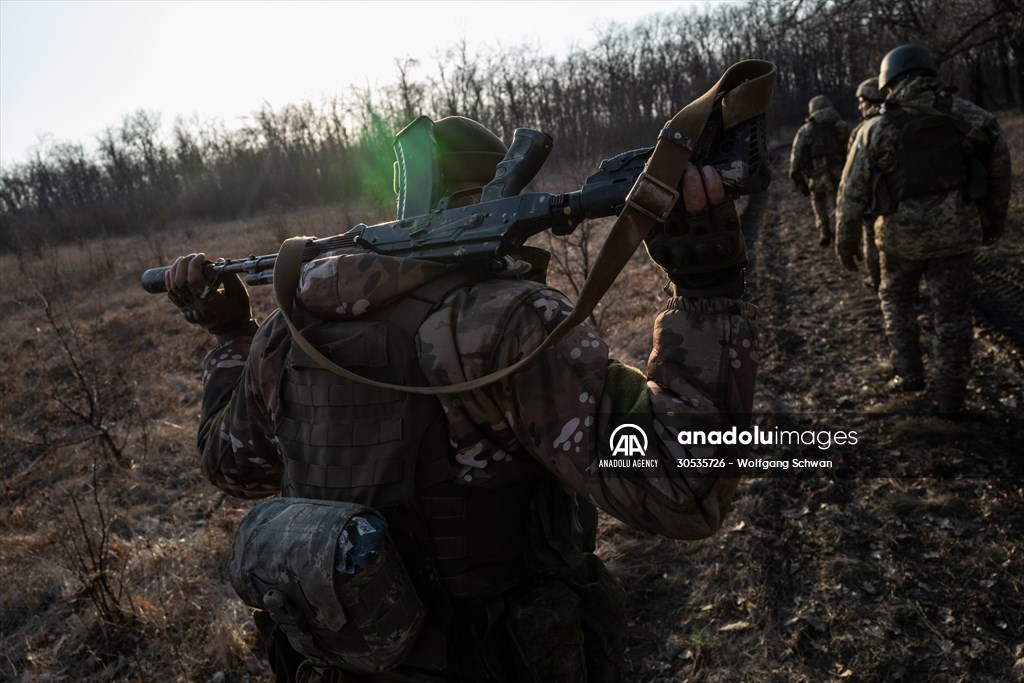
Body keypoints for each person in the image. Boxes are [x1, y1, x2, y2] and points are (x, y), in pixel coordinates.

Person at [164, 115, 759, 682]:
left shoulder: (285, 331)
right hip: (490, 661)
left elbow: (234, 468)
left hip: (335, 663)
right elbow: (681, 489)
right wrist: (707, 291)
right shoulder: (508, 324)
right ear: (495, 189)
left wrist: (230, 338)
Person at [834, 44, 1012, 415]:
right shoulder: (973, 117)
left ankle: (910, 374)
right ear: (930, 74)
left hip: (899, 242)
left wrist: (846, 242)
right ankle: (951, 397)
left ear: (889, 83)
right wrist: (994, 222)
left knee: (897, 303)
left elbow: (850, 195)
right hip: (955, 238)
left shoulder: (874, 129)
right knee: (953, 313)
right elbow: (999, 173)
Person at [789, 95, 852, 246]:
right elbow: (851, 149)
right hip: (838, 173)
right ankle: (839, 231)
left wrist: (796, 174)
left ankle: (824, 229)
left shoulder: (806, 129)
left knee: (818, 201)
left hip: (816, 174)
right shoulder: (841, 126)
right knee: (838, 202)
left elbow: (796, 154)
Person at [848, 78, 886, 292]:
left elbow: (853, 178)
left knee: (872, 241)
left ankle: (877, 280)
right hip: (899, 203)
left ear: (871, 101)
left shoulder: (863, 131)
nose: (859, 106)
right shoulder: (903, 122)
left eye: (861, 101)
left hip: (872, 202)